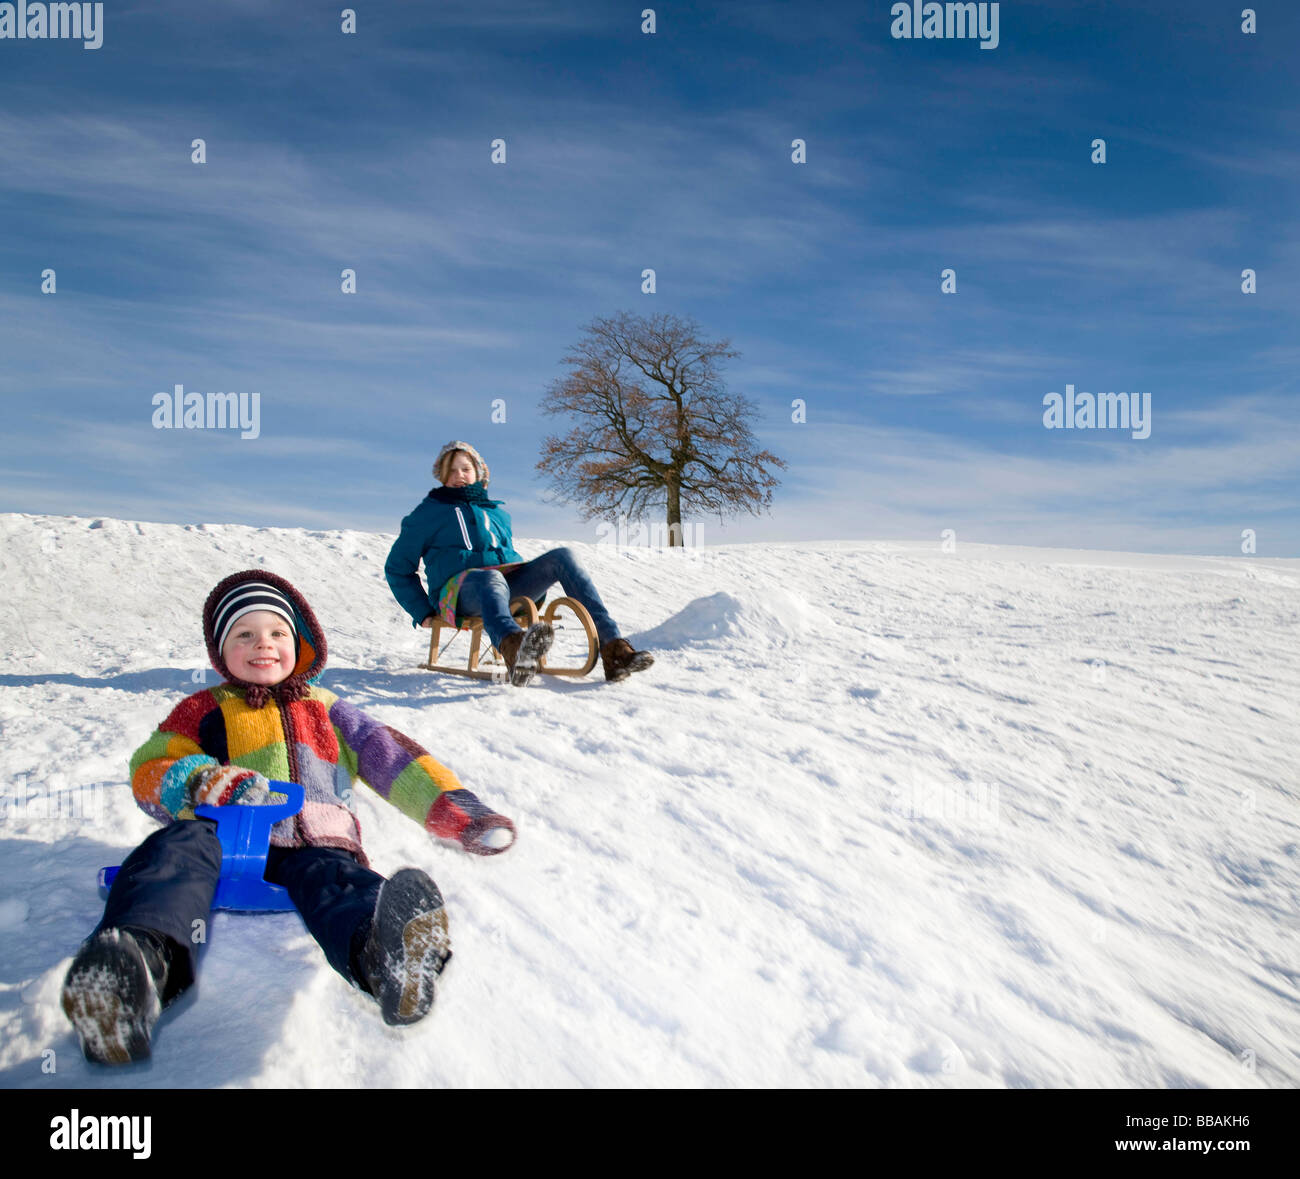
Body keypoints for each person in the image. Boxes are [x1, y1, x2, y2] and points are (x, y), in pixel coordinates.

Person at [60, 568, 516, 1065]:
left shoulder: (330, 710)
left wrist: (461, 813)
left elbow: (397, 762)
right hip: (217, 837)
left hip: (315, 842)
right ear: (221, 651)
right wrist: (201, 781)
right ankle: (133, 974)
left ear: (302, 643)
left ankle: (387, 961)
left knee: (341, 883)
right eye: (245, 634)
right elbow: (151, 765)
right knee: (169, 859)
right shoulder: (204, 707)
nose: (264, 645)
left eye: (279, 633)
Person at [385, 440, 654, 686]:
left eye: (465, 469)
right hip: (459, 594)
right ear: (442, 476)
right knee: (489, 578)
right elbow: (397, 567)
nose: (459, 476)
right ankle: (514, 648)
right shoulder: (426, 514)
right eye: (451, 471)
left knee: (563, 556)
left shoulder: (498, 514)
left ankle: (615, 650)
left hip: (503, 586)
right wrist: (423, 612)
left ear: (479, 473)